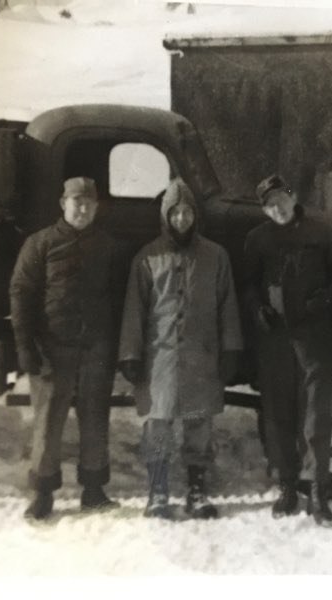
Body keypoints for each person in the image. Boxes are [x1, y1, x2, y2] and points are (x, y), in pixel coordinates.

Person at [119, 178, 243, 520]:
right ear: (165, 216)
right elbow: (135, 309)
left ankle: (197, 491)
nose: (182, 218)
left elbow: (227, 306)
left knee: (198, 425)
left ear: (196, 216)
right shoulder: (148, 257)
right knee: (159, 426)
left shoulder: (216, 256)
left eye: (188, 212)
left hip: (202, 359)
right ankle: (158, 491)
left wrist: (231, 349)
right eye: (175, 212)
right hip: (160, 359)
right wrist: (130, 354)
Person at [10, 176, 119, 521]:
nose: (83, 208)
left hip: (94, 349)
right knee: (47, 423)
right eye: (76, 201)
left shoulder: (107, 246)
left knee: (95, 420)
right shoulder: (40, 243)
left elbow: (118, 299)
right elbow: (21, 294)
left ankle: (94, 489)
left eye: (89, 203)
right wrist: (26, 347)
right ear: (63, 204)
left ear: (97, 207)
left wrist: (112, 346)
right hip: (52, 349)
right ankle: (42, 494)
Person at [243, 174, 332, 525]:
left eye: (280, 200)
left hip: (313, 335)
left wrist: (325, 300)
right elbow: (247, 283)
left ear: (292, 195)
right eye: (269, 205)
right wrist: (258, 308)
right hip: (274, 339)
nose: (277, 209)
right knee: (277, 414)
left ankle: (318, 489)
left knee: (315, 414)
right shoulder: (257, 239)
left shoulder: (321, 232)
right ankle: (287, 486)